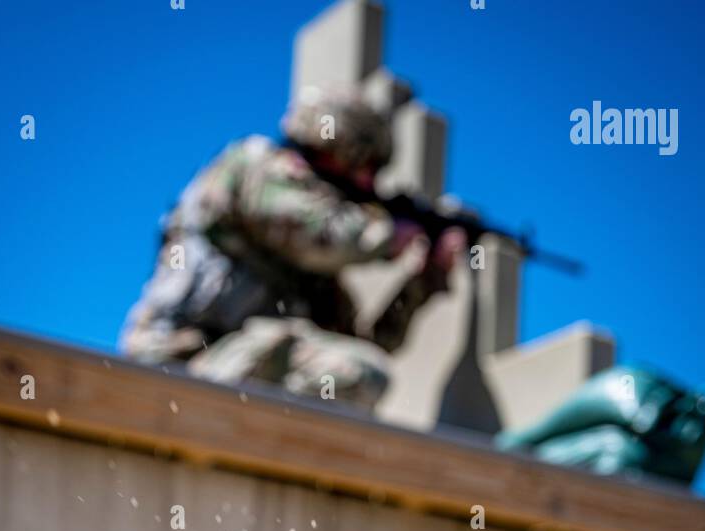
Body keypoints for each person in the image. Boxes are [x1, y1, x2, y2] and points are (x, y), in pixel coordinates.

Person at [119, 85, 465, 409]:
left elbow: (364, 346)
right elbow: (322, 233)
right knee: (355, 372)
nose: (368, 182)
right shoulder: (254, 167)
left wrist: (425, 278)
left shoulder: (304, 271)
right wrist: (391, 233)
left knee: (358, 374)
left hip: (230, 364)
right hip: (172, 359)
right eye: (367, 165)